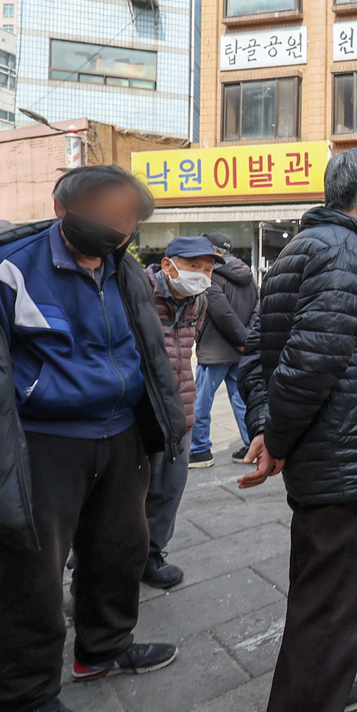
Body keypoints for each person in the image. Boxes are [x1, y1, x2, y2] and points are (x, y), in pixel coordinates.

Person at [0, 165, 187, 712]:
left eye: (128, 221)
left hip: (121, 433)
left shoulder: (124, 269)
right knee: (33, 574)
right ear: (63, 211)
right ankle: (25, 699)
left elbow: (146, 350)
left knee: (120, 550)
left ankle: (103, 648)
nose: (119, 230)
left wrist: (167, 425)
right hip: (39, 442)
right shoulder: (0, 271)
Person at [237, 148, 357, 712]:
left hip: (333, 454)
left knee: (329, 596)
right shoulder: (342, 255)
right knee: (330, 603)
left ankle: (327, 692)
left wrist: (263, 427)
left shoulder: (301, 250)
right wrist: (275, 442)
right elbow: (308, 365)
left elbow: (257, 351)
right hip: (346, 459)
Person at [142, 236, 219, 589]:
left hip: (181, 406)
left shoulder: (198, 302)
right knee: (125, 491)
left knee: (169, 487)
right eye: (194, 267)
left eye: (207, 269)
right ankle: (96, 556)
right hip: (140, 410)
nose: (202, 275)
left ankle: (151, 553)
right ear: (169, 263)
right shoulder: (139, 292)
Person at [191, 231, 256, 466]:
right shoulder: (247, 274)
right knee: (242, 399)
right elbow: (258, 308)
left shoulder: (210, 275)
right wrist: (246, 339)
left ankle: (199, 450)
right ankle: (252, 444)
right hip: (240, 350)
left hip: (215, 350)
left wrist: (240, 337)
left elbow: (222, 313)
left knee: (201, 401)